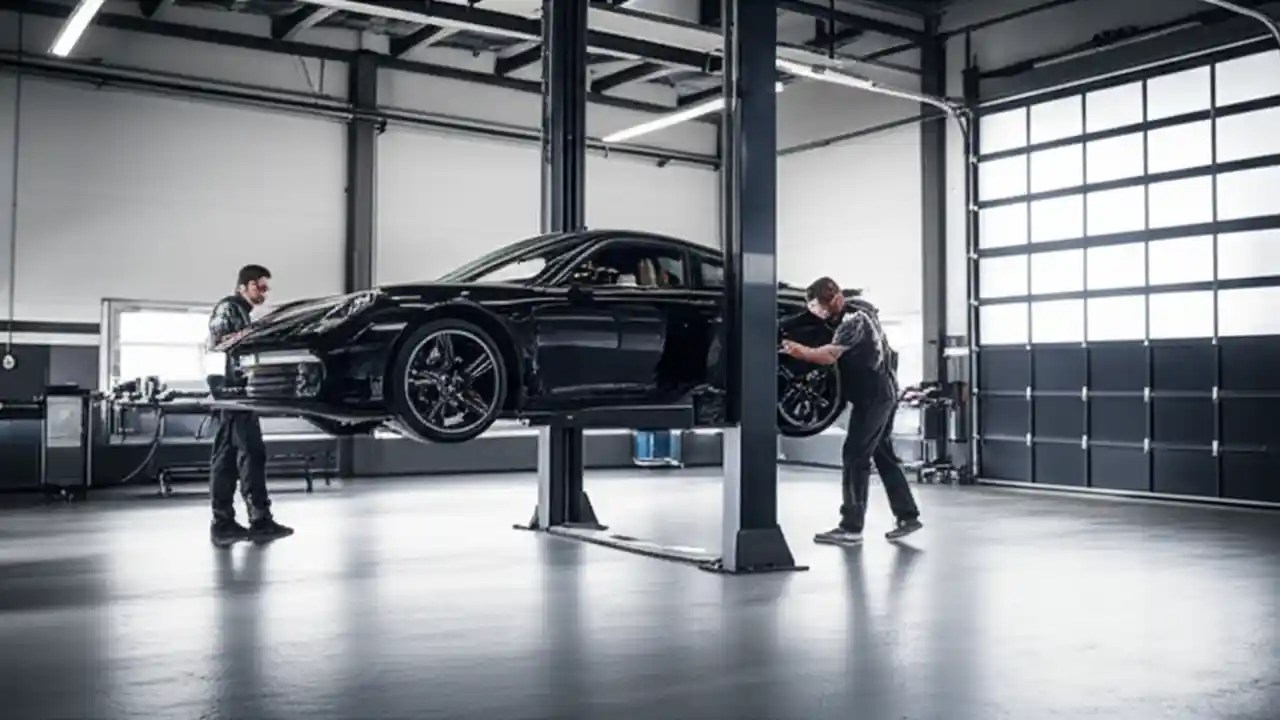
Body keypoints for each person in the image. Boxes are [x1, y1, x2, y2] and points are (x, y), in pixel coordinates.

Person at [781, 276, 922, 544]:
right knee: (883, 454)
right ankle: (908, 516)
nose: (820, 312)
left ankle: (851, 527)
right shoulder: (856, 312)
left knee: (855, 455)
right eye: (816, 307)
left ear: (837, 297)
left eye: (823, 306)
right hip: (881, 392)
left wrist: (800, 352)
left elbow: (828, 355)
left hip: (873, 396)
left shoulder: (853, 320)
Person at [206, 264, 294, 546]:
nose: (265, 294)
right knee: (250, 454)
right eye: (261, 287)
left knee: (229, 457)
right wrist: (263, 332)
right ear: (245, 286)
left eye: (267, 288)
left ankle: (227, 523)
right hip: (233, 393)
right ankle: (256, 520)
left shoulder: (241, 311)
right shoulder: (228, 308)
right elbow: (223, 343)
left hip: (235, 393)